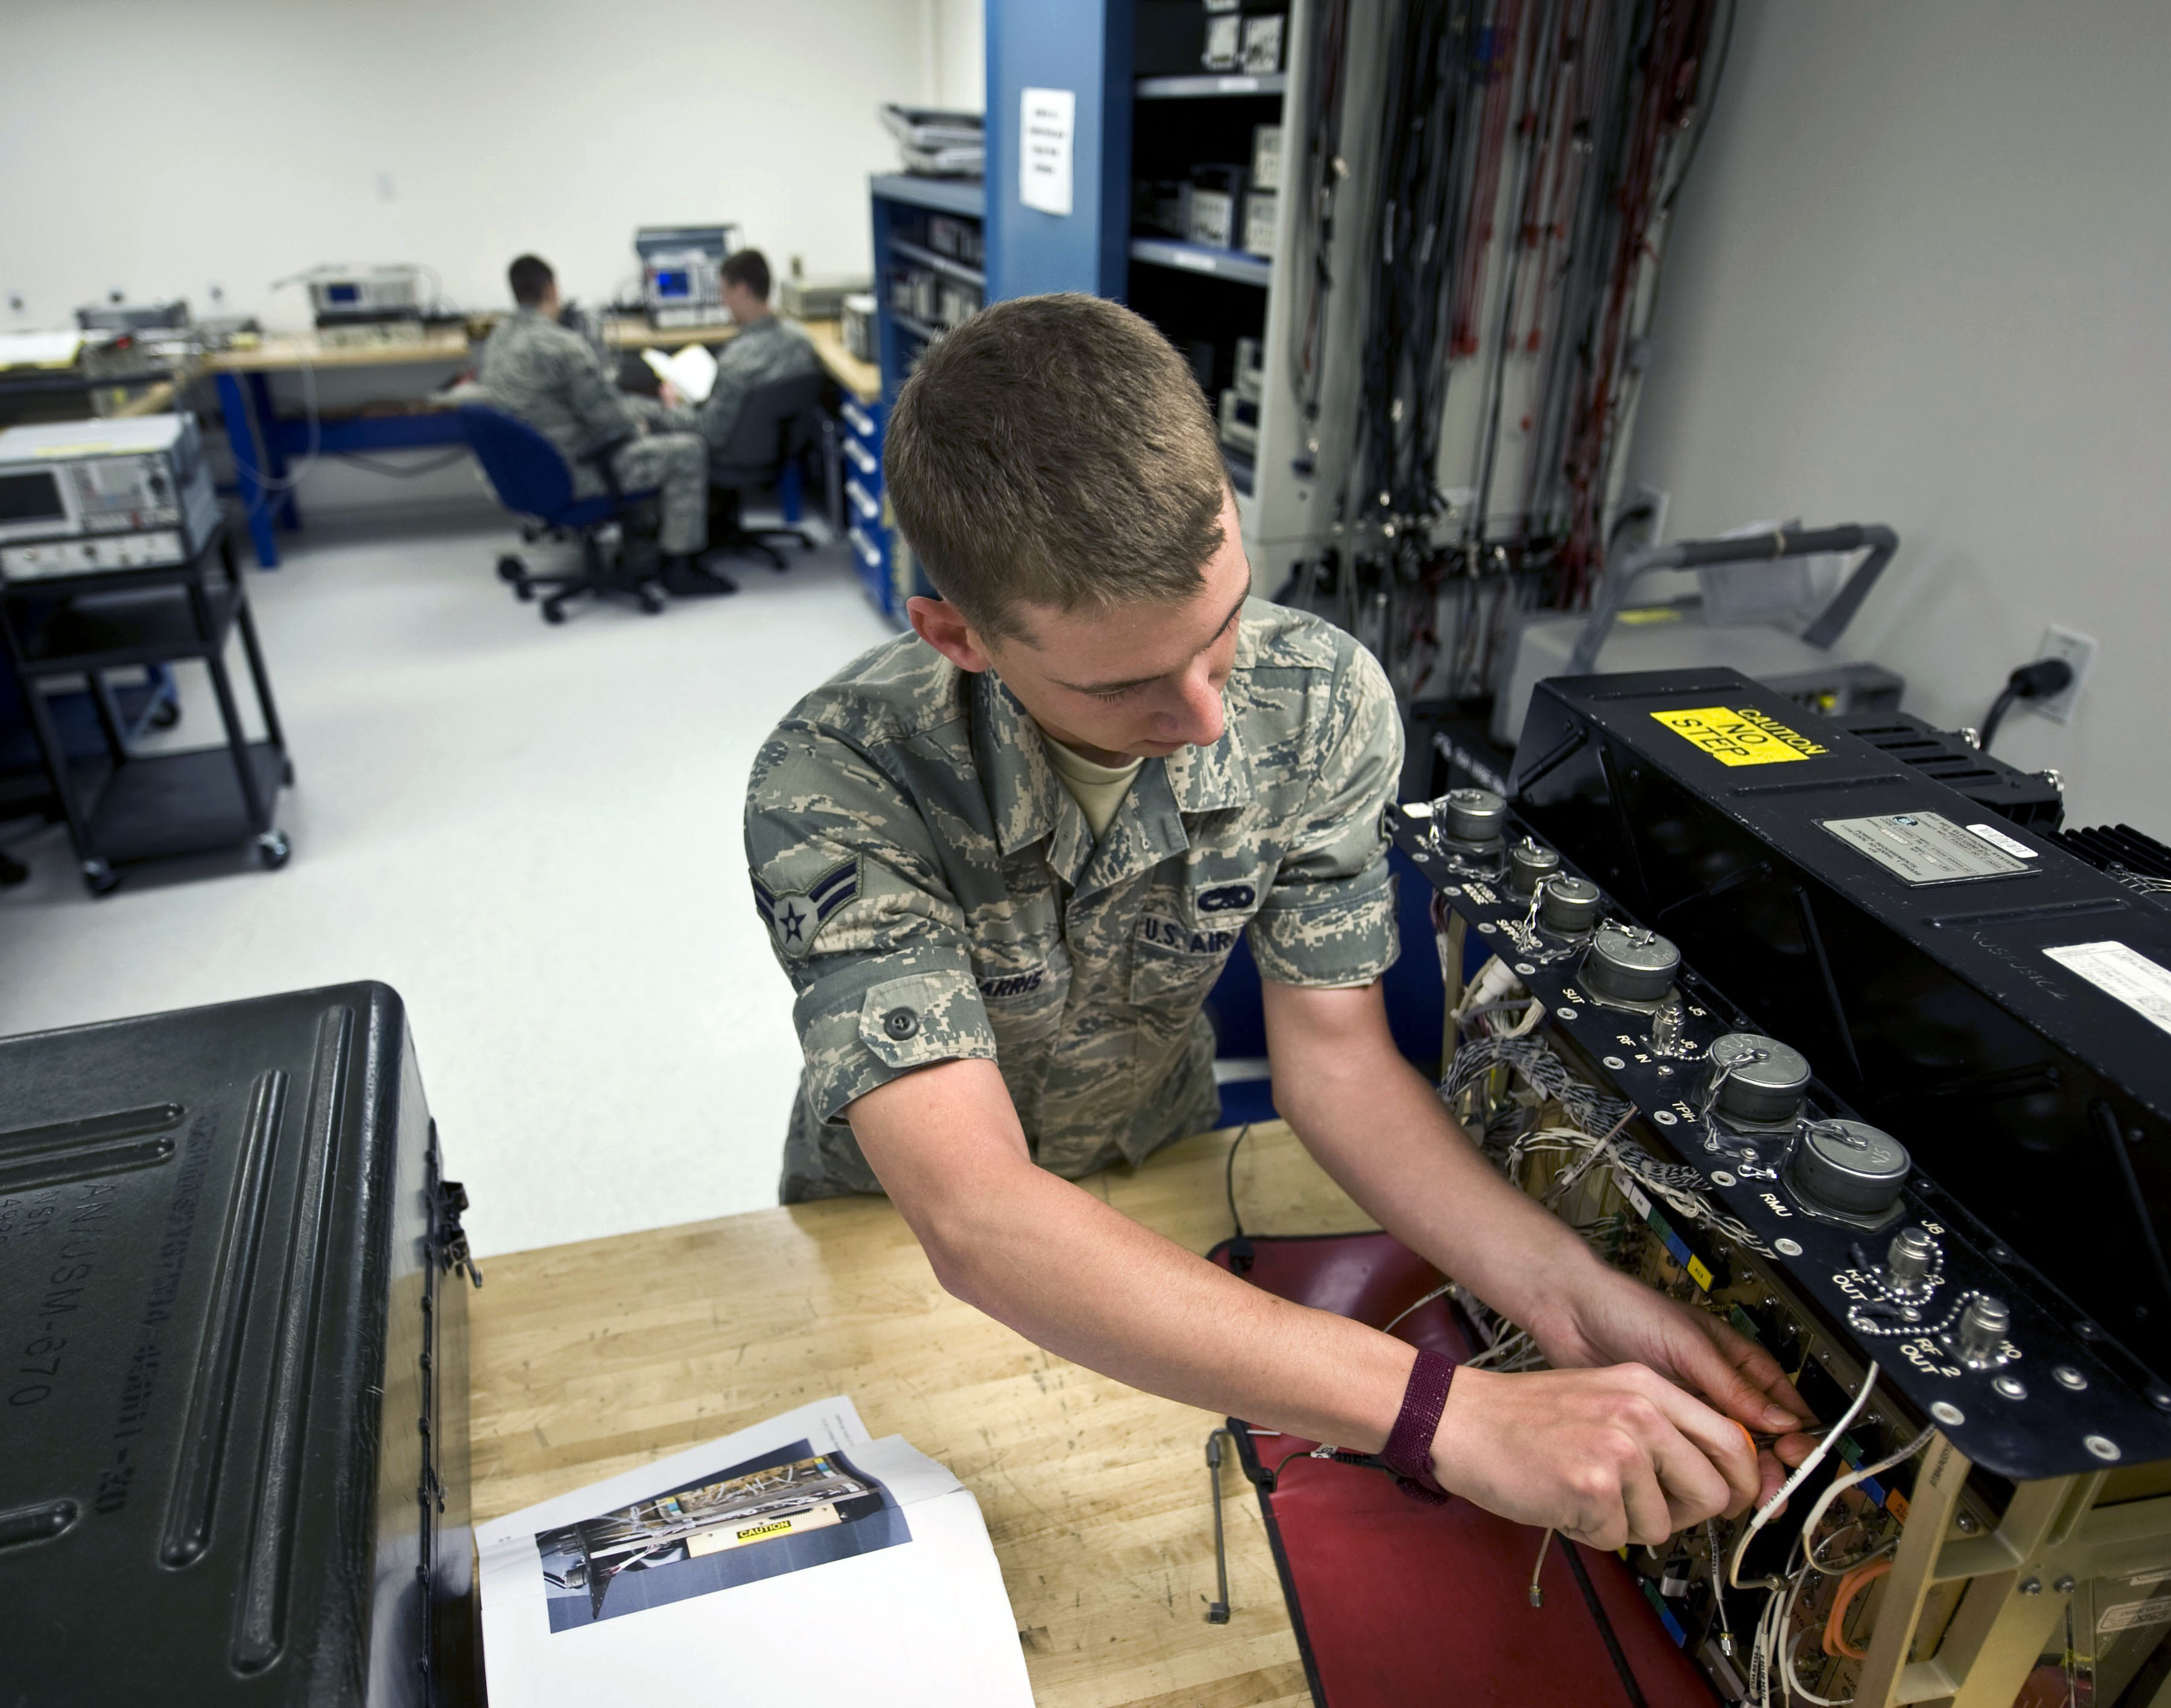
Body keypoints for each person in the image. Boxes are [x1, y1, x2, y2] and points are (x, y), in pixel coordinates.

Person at [741, 293, 1818, 1553]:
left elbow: (1338, 1063)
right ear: (956, 636)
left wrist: (1562, 1290)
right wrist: (1449, 1421)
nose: (1205, 717)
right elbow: (976, 1217)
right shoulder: (837, 779)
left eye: (1222, 630)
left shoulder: (1317, 701)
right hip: (896, 1229)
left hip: (1158, 1163)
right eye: (1129, 683)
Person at [478, 253, 732, 598]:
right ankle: (679, 570)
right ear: (552, 289)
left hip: (524, 471)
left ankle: (640, 549)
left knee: (643, 437)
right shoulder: (565, 347)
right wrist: (658, 411)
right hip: (575, 472)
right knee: (687, 450)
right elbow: (609, 419)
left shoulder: (498, 340)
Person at [651, 248, 822, 459]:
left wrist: (671, 408)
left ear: (741, 290)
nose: (723, 302)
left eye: (724, 292)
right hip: (787, 449)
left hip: (738, 455)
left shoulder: (735, 361)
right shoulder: (802, 340)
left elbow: (711, 432)